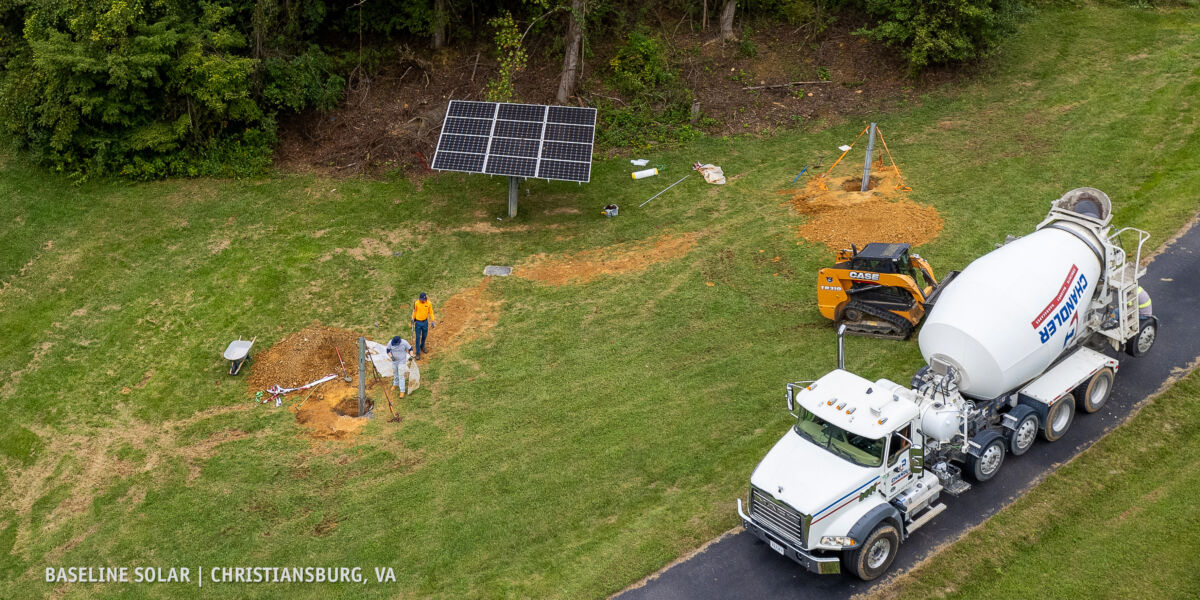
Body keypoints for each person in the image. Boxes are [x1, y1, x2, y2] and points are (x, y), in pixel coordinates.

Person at [411, 292, 436, 360]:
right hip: (418, 323)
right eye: (421, 299)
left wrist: (433, 321)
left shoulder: (429, 303)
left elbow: (431, 312)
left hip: (425, 322)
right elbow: (414, 311)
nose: (422, 300)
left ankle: (422, 346)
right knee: (418, 337)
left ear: (425, 298)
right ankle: (418, 352)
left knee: (424, 335)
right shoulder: (416, 303)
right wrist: (413, 318)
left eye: (423, 299)